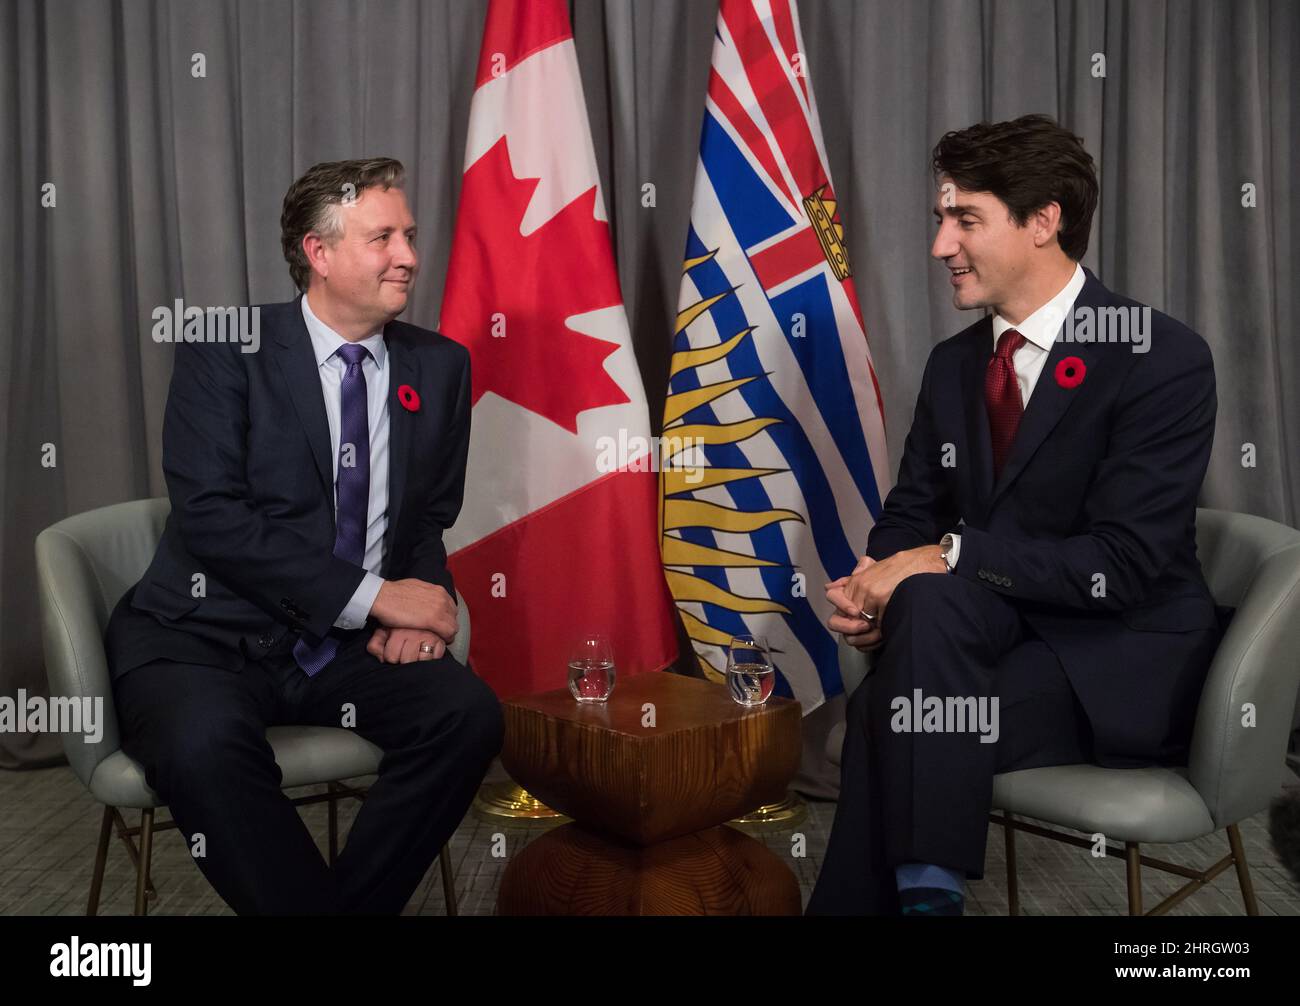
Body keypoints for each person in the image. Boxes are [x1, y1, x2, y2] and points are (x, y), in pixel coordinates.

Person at [807, 115, 1220, 916]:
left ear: (1043, 221)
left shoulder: (1160, 357)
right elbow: (911, 514)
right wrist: (873, 581)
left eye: (965, 219)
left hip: (1113, 657)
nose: (939, 246)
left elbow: (1123, 564)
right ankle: (928, 899)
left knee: (891, 708)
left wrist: (950, 556)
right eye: (940, 219)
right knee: (918, 607)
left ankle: (915, 901)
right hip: (974, 641)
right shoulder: (955, 365)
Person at [105, 157, 503, 915]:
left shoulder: (440, 366)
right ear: (317, 254)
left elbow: (424, 518)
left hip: (339, 652)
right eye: (382, 237)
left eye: (410, 235)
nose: (410, 256)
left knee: (467, 715)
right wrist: (380, 598)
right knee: (203, 749)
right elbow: (213, 518)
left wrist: (422, 607)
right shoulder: (226, 348)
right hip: (202, 639)